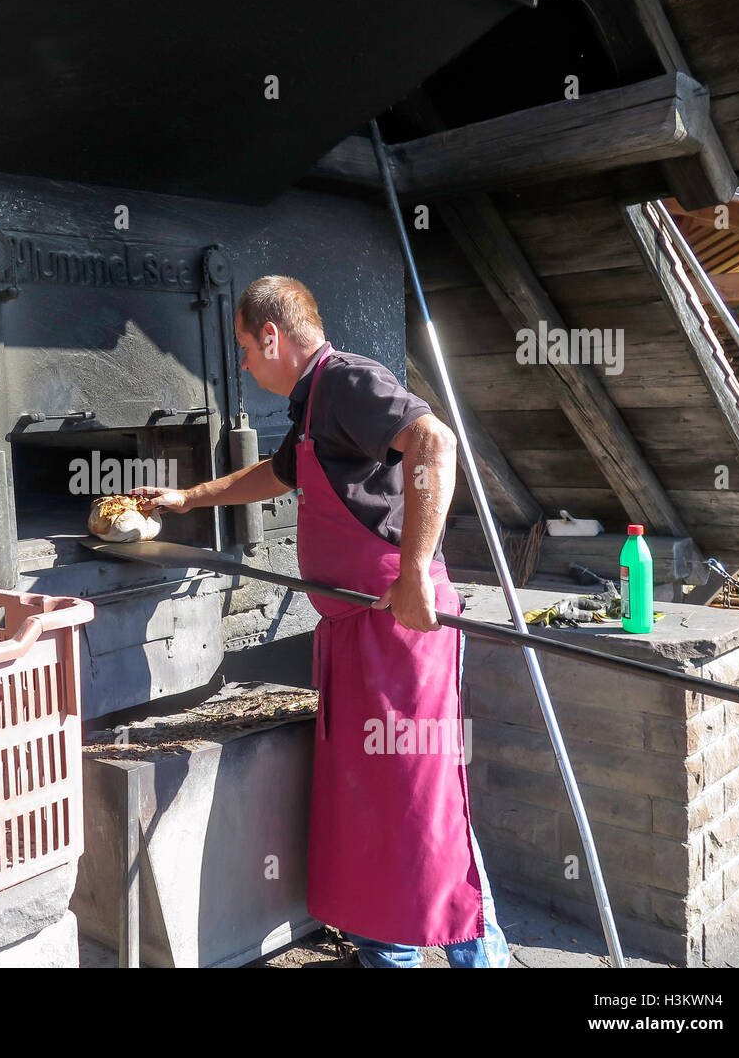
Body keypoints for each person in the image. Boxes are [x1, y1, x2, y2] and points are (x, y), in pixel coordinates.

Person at [134, 275, 509, 968]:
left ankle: (476, 957)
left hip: (403, 634)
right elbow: (273, 475)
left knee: (424, 804)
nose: (245, 364)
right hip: (353, 637)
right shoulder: (312, 412)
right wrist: (188, 497)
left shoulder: (344, 383)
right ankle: (387, 955)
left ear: (273, 336)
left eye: (247, 349)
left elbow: (434, 443)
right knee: (374, 809)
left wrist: (415, 572)